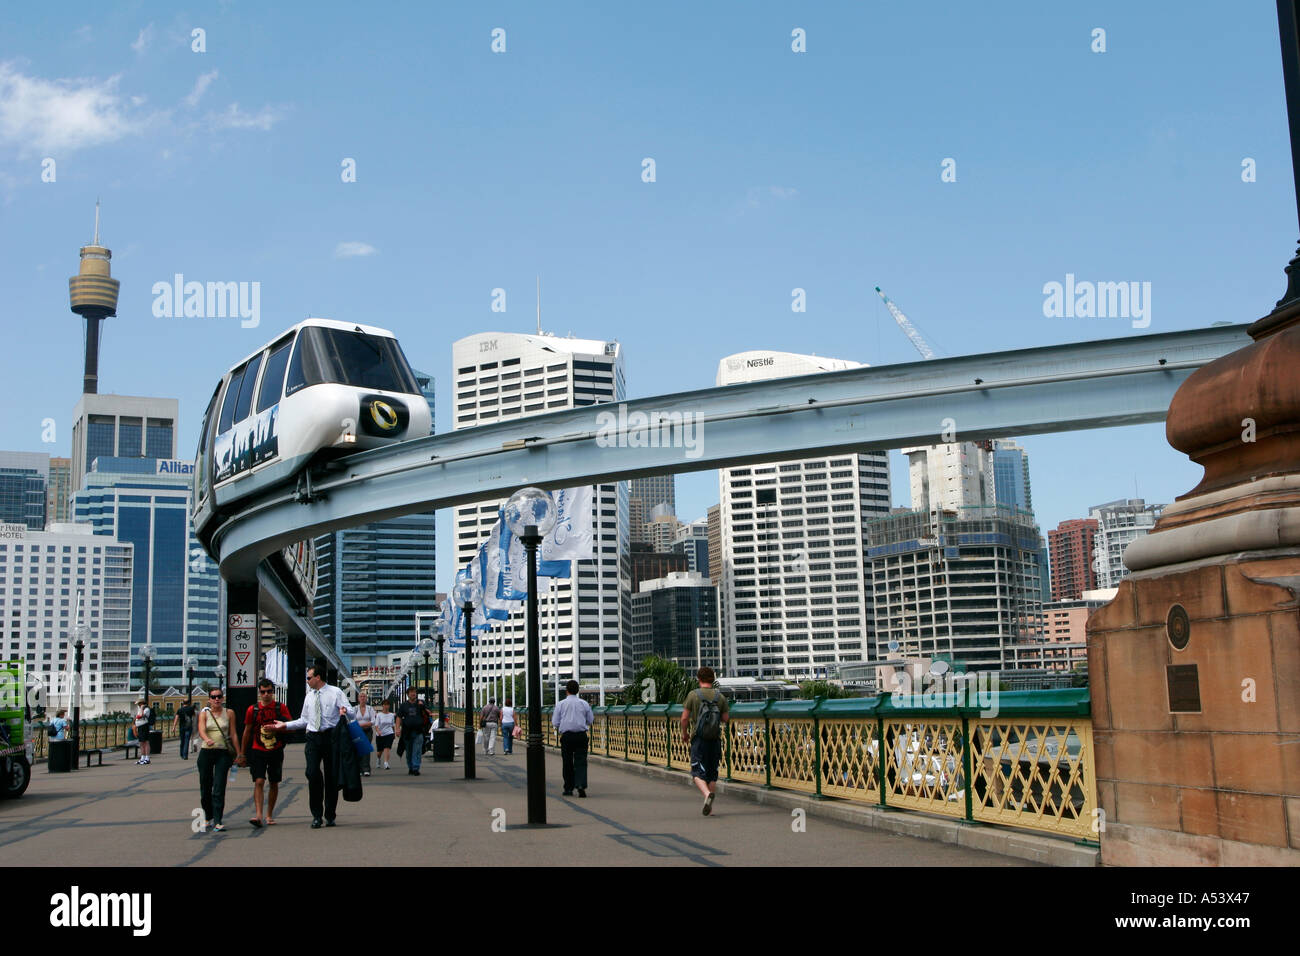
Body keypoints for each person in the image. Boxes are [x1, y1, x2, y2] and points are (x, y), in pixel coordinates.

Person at [267, 664, 355, 828]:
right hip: (313, 737)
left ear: (318, 678)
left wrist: (344, 711)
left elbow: (352, 712)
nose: (307, 680)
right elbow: (304, 720)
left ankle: (329, 815)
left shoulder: (335, 692)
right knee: (312, 773)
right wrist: (284, 726)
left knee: (331, 777)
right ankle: (316, 815)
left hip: (331, 737)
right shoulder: (309, 696)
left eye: (309, 677)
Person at [241, 679, 292, 827]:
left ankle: (269, 814)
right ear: (259, 692)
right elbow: (247, 731)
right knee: (259, 781)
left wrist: (277, 728)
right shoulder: (253, 710)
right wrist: (242, 753)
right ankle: (258, 815)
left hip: (276, 749)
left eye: (269, 691)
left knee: (274, 782)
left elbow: (290, 726)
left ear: (273, 692)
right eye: (263, 692)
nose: (266, 695)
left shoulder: (280, 708)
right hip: (258, 749)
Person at [680, 666, 730, 816]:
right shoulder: (719, 697)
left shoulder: (693, 695)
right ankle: (711, 807)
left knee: (697, 772)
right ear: (712, 679)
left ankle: (707, 794)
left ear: (699, 679)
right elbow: (726, 719)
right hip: (714, 738)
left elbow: (684, 718)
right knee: (712, 773)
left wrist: (685, 734)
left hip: (699, 739)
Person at [196, 689, 243, 832]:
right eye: (213, 697)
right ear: (209, 699)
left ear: (222, 698)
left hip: (223, 753)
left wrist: (239, 753)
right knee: (205, 786)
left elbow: (233, 733)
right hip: (206, 752)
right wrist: (206, 739)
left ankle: (217, 820)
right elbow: (201, 730)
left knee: (219, 786)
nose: (216, 699)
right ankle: (207, 817)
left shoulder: (229, 713)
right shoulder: (204, 714)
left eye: (219, 697)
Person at [552, 680, 593, 797]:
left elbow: (555, 722)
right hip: (581, 735)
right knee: (581, 762)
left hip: (567, 736)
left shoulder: (561, 704)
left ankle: (568, 788)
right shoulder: (584, 704)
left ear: (567, 691)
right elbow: (590, 720)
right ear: (578, 690)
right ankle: (580, 785)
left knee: (567, 762)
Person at [395, 688, 430, 776]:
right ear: (408, 694)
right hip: (407, 732)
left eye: (414, 692)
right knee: (409, 751)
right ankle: (410, 767)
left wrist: (423, 707)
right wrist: (397, 729)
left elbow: (429, 713)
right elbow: (398, 717)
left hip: (418, 731)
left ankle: (415, 768)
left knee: (417, 750)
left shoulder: (421, 703)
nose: (413, 694)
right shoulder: (404, 705)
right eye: (411, 692)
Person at [355, 692, 376, 776]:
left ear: (366, 698)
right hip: (358, 731)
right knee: (359, 749)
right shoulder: (355, 709)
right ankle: (359, 769)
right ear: (358, 699)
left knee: (366, 749)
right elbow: (352, 720)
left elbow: (373, 721)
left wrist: (364, 725)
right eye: (361, 696)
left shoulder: (370, 709)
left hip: (367, 730)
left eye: (364, 696)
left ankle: (366, 769)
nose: (363, 698)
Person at [373, 700, 396, 770]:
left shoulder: (391, 715)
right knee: (379, 751)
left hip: (389, 733)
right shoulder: (379, 715)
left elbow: (392, 725)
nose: (386, 706)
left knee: (387, 748)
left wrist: (394, 733)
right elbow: (376, 725)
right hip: (380, 735)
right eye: (385, 705)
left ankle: (386, 763)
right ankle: (378, 758)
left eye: (387, 705)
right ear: (382, 706)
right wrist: (378, 731)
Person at [133, 698, 153, 765]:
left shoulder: (146, 709)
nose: (138, 705)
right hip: (140, 727)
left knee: (146, 742)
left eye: (139, 704)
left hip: (144, 726)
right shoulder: (140, 709)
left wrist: (142, 708)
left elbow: (140, 716)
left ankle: (147, 758)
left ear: (141, 703)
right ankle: (142, 757)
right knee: (141, 743)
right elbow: (137, 717)